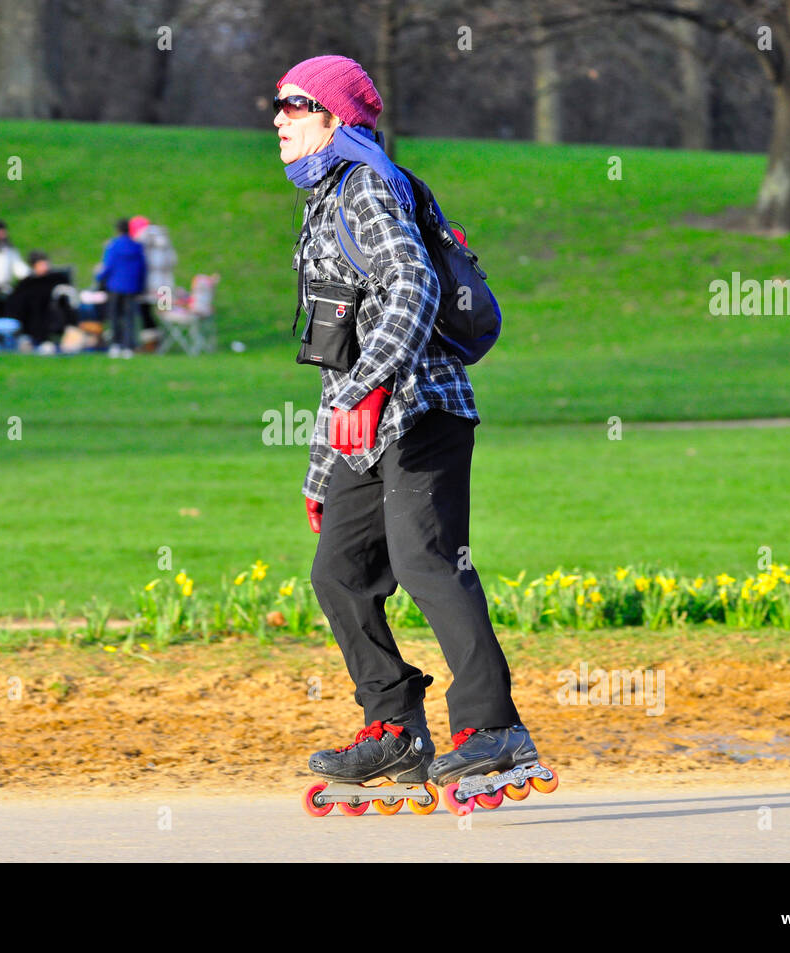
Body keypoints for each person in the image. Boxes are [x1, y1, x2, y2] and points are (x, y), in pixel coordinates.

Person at [275, 55, 551, 808]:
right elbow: (337, 351)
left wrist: (370, 387)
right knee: (337, 572)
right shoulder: (328, 197)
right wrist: (320, 470)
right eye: (279, 106)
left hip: (422, 409)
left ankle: (494, 727)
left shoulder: (366, 185)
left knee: (427, 560)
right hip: (363, 431)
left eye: (296, 106)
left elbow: (414, 284)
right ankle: (395, 727)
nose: (279, 119)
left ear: (336, 120)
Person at [95, 218, 147, 358]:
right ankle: (129, 345)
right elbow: (142, 268)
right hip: (134, 286)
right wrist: (141, 285)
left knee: (114, 316)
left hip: (115, 286)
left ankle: (116, 344)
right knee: (129, 316)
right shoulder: (137, 247)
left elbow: (108, 266)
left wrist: (98, 279)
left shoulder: (113, 246)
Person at [129, 215, 178, 350]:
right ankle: (165, 343)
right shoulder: (165, 238)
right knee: (165, 314)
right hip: (166, 286)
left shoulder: (141, 238)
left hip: (147, 286)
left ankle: (151, 344)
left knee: (144, 310)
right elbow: (173, 260)